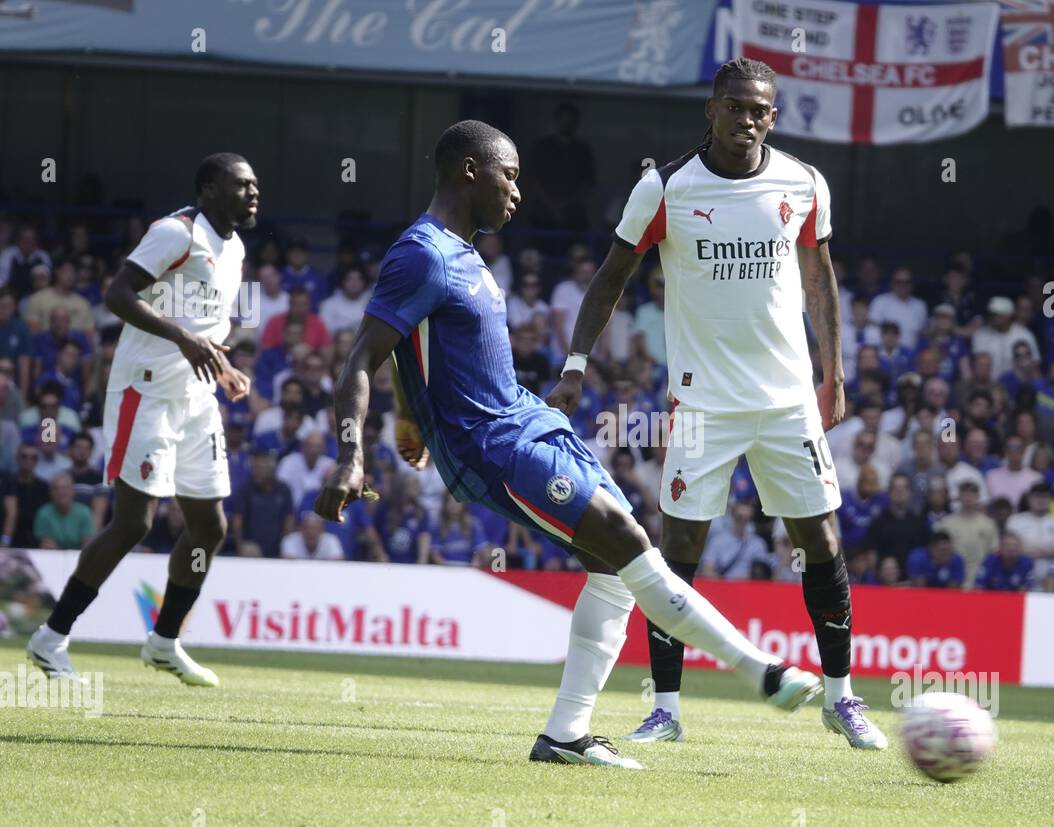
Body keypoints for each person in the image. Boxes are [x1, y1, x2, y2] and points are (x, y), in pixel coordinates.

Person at [314, 118, 821, 771]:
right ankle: (764, 674)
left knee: (612, 567)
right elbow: (361, 358)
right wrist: (353, 453)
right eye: (511, 175)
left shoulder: (465, 254)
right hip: (489, 445)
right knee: (629, 542)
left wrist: (411, 413)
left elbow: (416, 350)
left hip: (527, 423)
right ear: (470, 171)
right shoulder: (422, 253)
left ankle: (566, 734)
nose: (518, 192)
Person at [546, 59, 884, 752]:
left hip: (788, 399)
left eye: (759, 109)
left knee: (819, 543)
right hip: (702, 406)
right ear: (712, 109)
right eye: (735, 107)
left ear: (773, 115)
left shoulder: (803, 183)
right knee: (677, 553)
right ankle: (665, 708)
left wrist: (835, 374)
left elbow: (820, 282)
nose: (747, 119)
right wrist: (576, 364)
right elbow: (611, 278)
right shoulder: (664, 187)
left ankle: (843, 700)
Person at [27, 153, 257, 686]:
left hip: (198, 398)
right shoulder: (174, 233)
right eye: (241, 185)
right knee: (134, 522)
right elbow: (116, 295)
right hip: (146, 392)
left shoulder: (237, 248)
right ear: (207, 191)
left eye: (255, 186)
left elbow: (209, 325)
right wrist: (182, 338)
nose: (252, 194)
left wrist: (225, 369)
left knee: (210, 526)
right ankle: (51, 636)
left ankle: (164, 641)